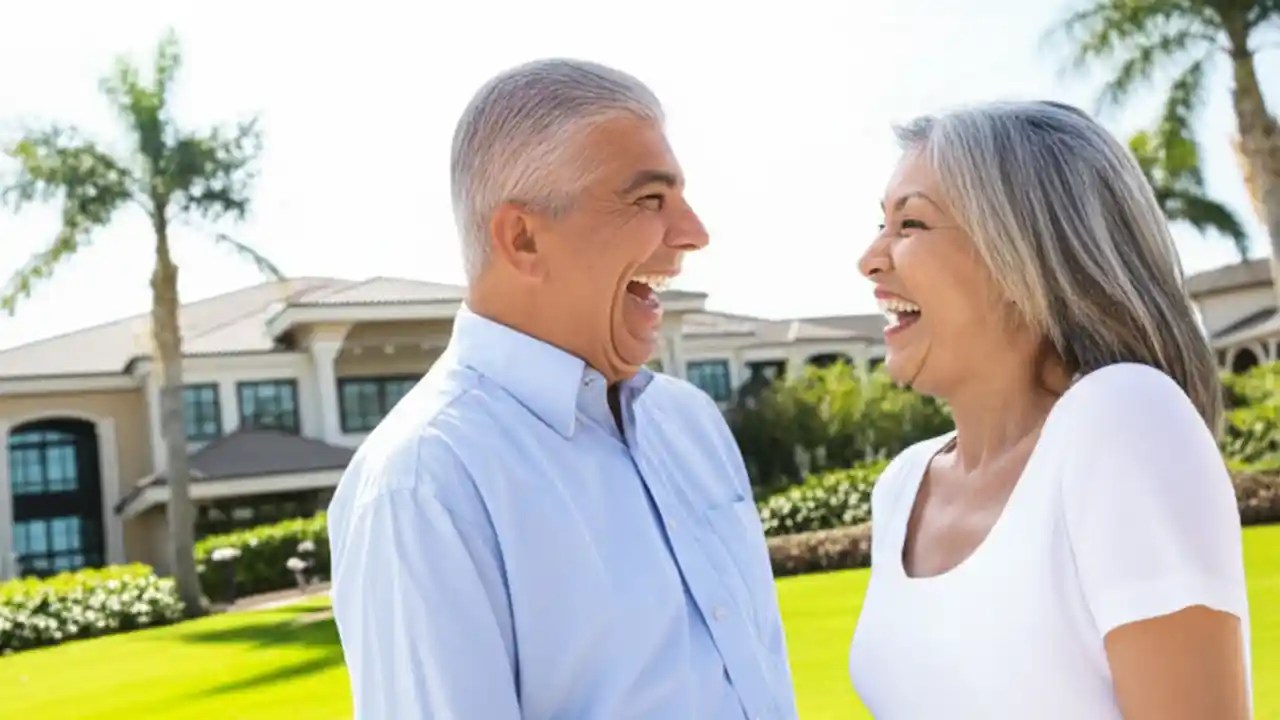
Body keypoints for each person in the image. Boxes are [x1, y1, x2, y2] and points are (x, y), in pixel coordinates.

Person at [326, 58, 797, 720]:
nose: (694, 232)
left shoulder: (689, 421)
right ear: (522, 238)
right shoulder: (424, 481)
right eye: (649, 199)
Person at [848, 100, 1252, 719]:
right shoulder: (902, 486)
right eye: (882, 223)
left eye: (911, 226)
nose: (871, 258)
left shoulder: (1123, 421)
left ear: (1024, 254)